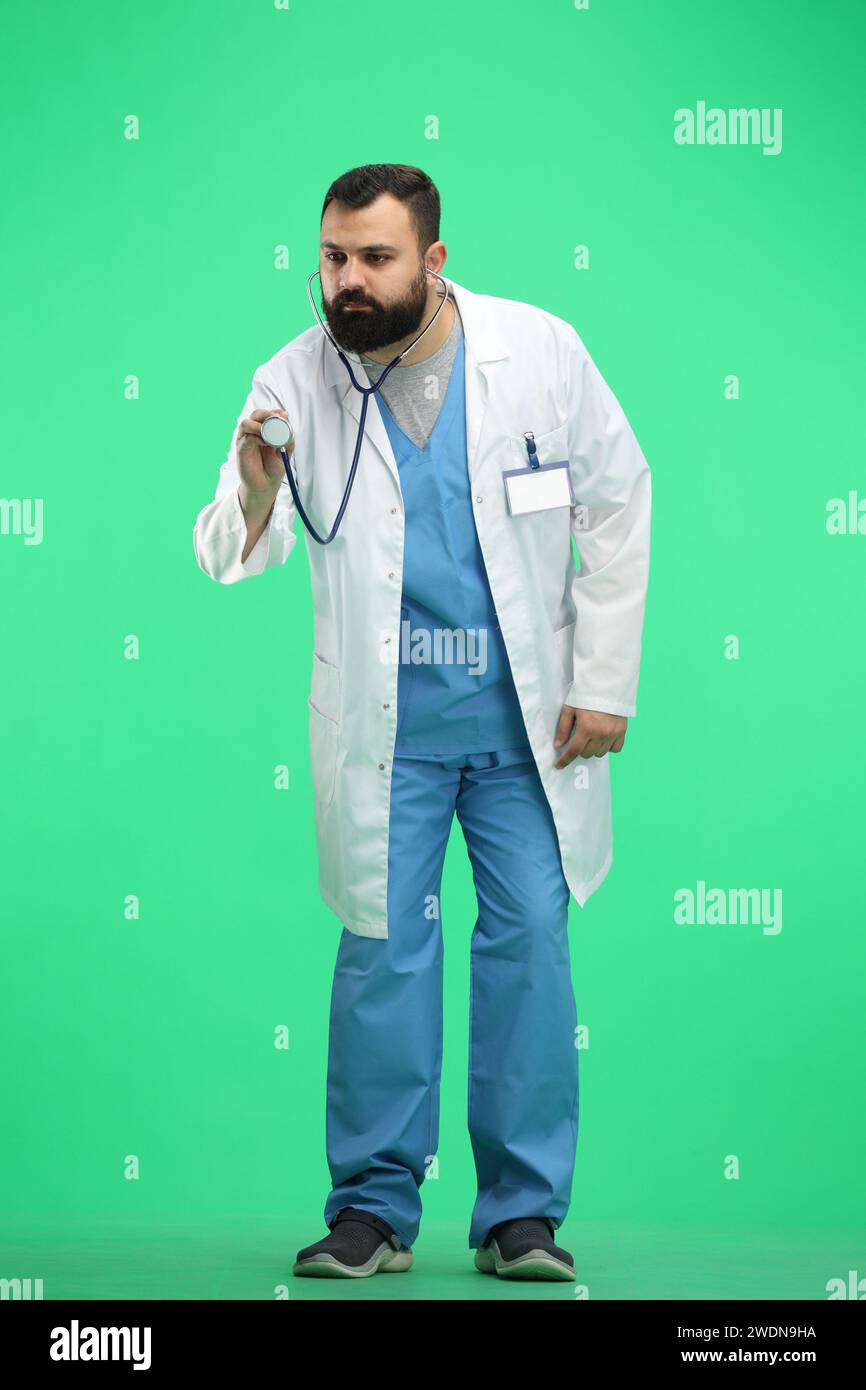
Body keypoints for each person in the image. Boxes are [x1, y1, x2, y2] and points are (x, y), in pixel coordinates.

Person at [192, 163, 651, 1282]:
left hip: (523, 729)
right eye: (333, 258)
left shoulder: (538, 353)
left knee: (529, 948)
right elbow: (224, 548)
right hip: (384, 732)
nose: (347, 281)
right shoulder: (292, 378)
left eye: (375, 259)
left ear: (433, 260)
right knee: (382, 955)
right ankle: (373, 1212)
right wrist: (254, 486)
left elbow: (619, 492)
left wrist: (604, 677)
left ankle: (519, 1216)